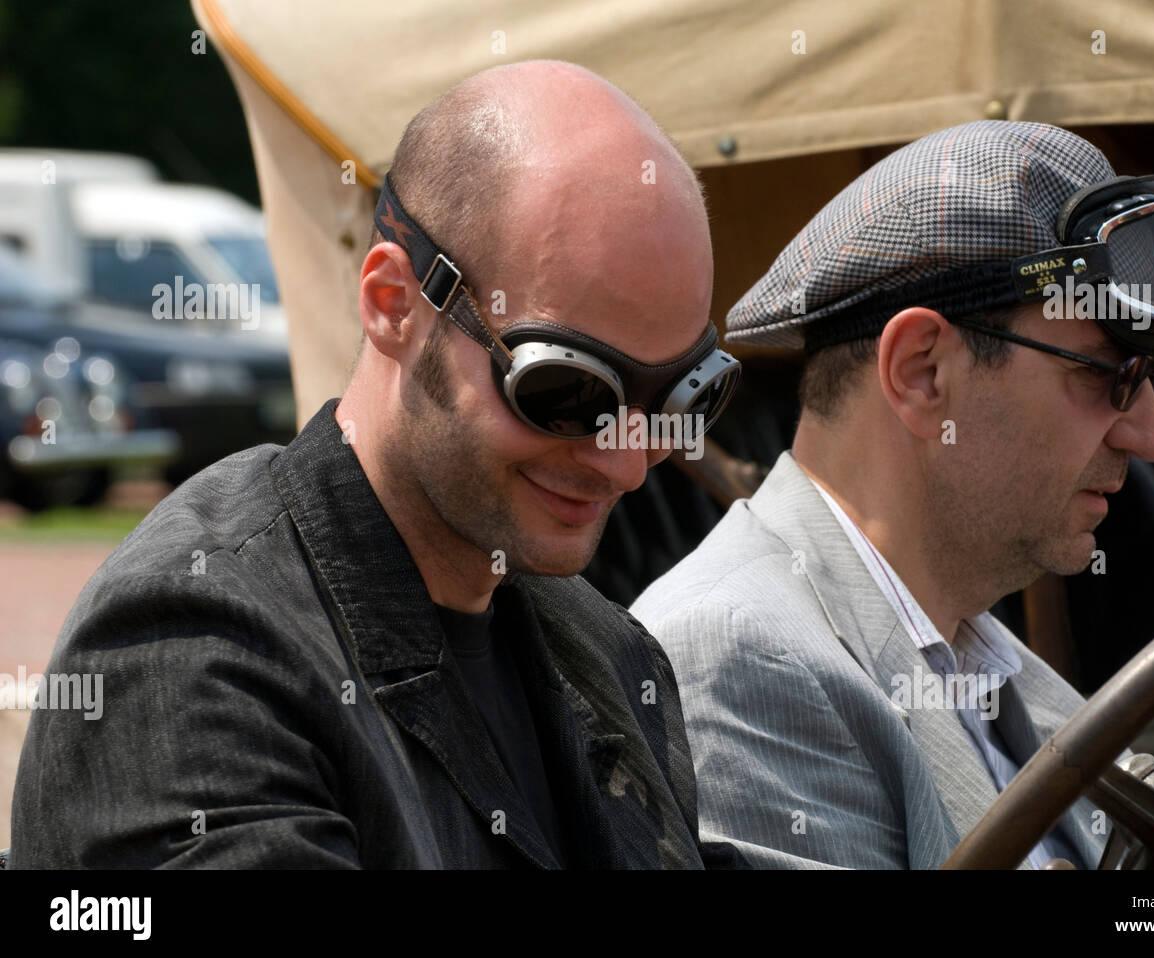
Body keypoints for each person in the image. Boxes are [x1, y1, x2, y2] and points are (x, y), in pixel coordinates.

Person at [10, 60, 741, 869]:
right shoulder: (198, 652)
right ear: (395, 303)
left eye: (682, 397)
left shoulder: (606, 650)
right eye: (567, 389)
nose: (628, 462)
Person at [632, 120, 1154, 869]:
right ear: (922, 373)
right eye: (1109, 376)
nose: (1149, 437)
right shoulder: (741, 655)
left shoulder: (986, 663)